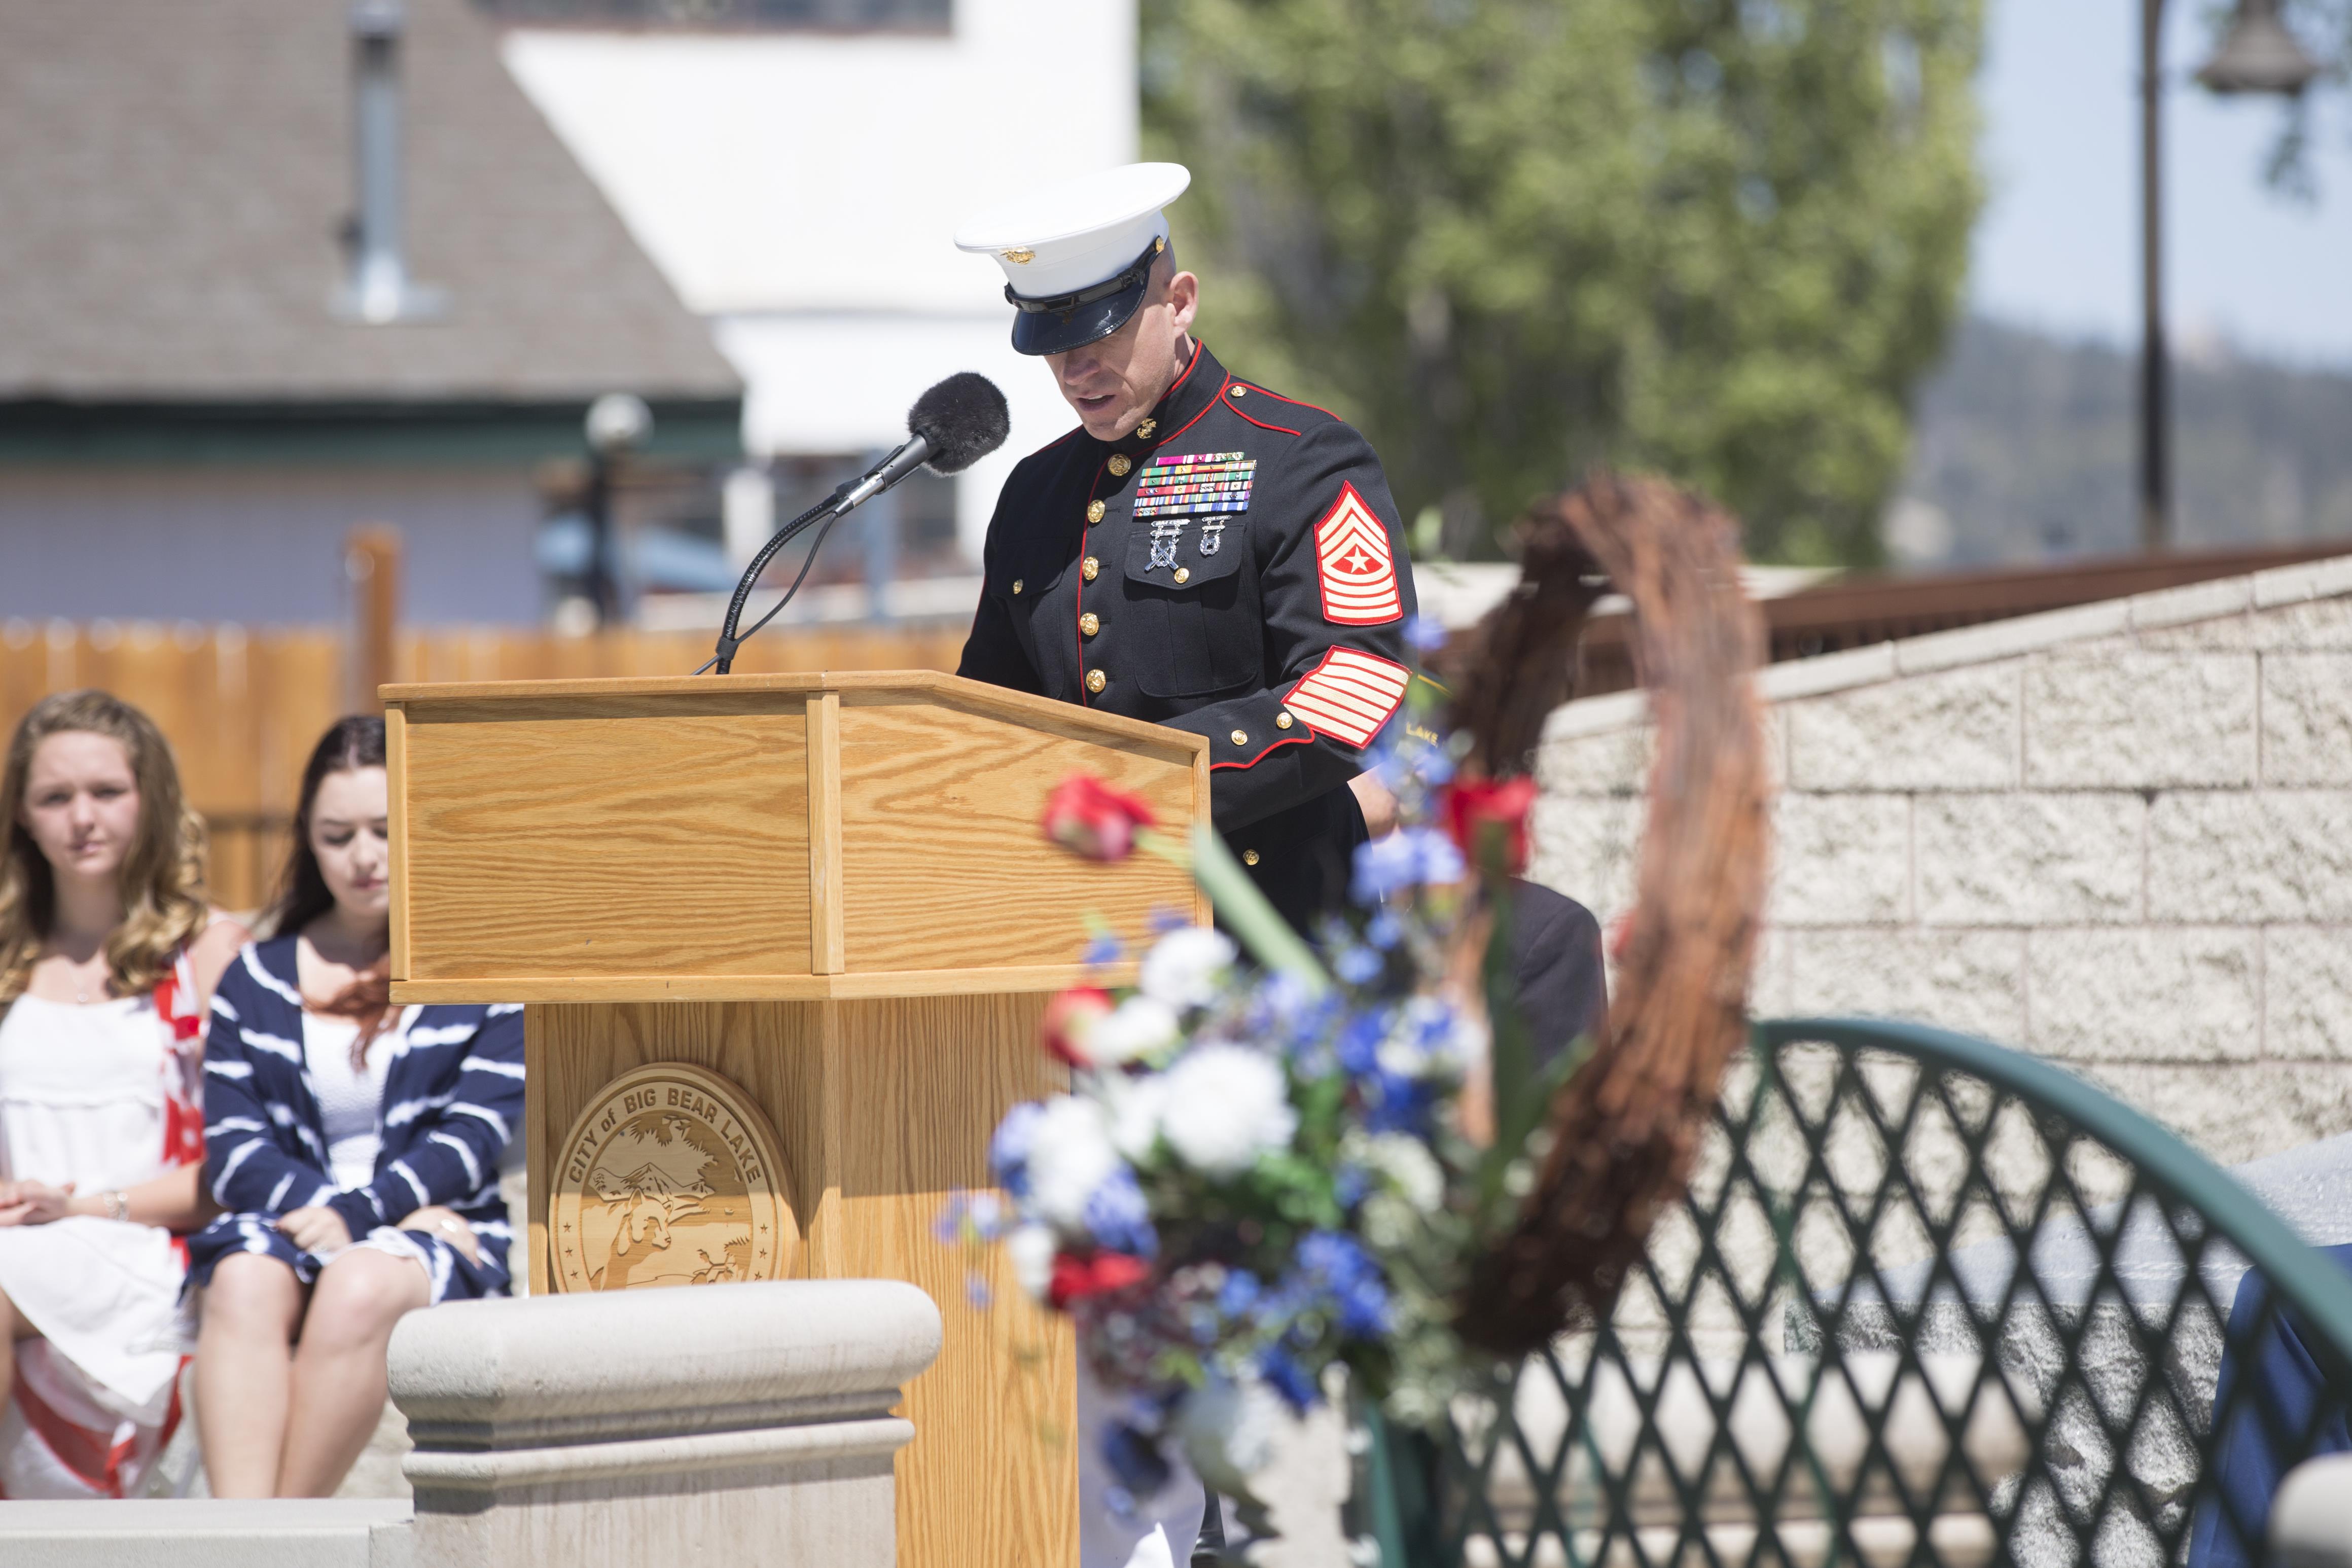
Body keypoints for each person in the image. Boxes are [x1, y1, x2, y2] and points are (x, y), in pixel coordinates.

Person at [953, 162, 1419, 935]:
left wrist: (1147, 780)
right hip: (1081, 930)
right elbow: (986, 712)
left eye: (1101, 333)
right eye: (1053, 344)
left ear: (1179, 303)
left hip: (1272, 931)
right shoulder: (1033, 493)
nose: (1075, 370)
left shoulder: (1302, 457)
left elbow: (1360, 683)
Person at [187, 716, 523, 1498]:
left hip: (441, 1227)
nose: (364, 856)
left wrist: (363, 1213)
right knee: (240, 1281)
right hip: (294, 1219)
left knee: (359, 1285)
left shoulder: (478, 966)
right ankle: (243, 1539)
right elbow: (234, 1148)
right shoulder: (255, 977)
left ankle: (283, 1537)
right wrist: (332, 1212)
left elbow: (473, 1136)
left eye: (384, 829)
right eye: (337, 836)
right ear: (309, 840)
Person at [0, 689, 246, 1498]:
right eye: (55, 797)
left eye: (107, 791)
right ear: (22, 815)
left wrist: (79, 1206)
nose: (83, 818)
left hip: (149, 1246)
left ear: (151, 798)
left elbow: (241, 1166)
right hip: (21, 1246)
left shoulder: (207, 953)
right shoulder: (7, 957)